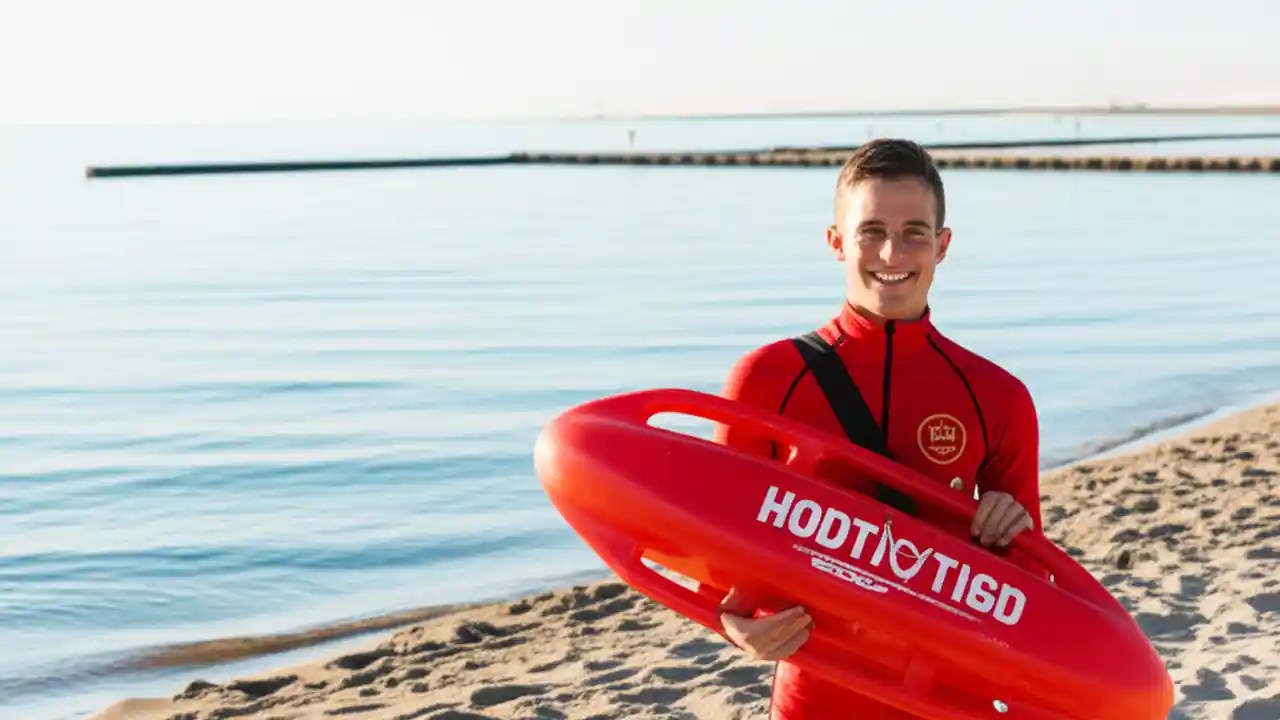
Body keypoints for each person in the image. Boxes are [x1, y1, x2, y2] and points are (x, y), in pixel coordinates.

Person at [709, 138, 1044, 719]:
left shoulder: (997, 397)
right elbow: (715, 552)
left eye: (915, 231)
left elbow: (1032, 586)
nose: (893, 251)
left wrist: (1008, 534)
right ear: (836, 242)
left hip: (949, 694)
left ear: (943, 246)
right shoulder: (767, 380)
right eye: (870, 230)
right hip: (816, 694)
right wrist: (735, 625)